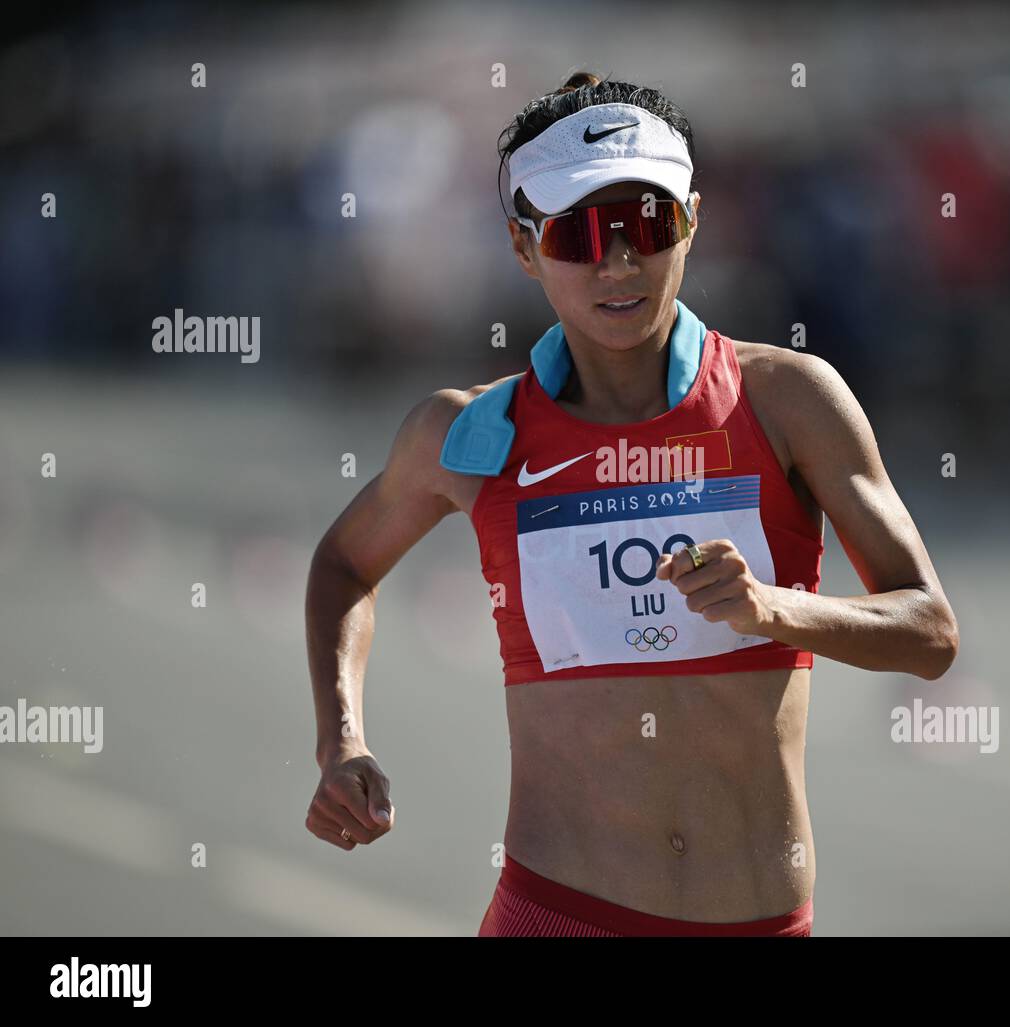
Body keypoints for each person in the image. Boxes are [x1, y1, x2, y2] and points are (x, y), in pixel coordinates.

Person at [304, 71, 959, 937]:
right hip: (559, 914)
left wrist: (775, 608)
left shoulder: (789, 399)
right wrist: (341, 738)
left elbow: (931, 634)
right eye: (578, 234)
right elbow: (346, 563)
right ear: (523, 247)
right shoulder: (467, 436)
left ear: (691, 218)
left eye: (644, 225)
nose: (617, 263)